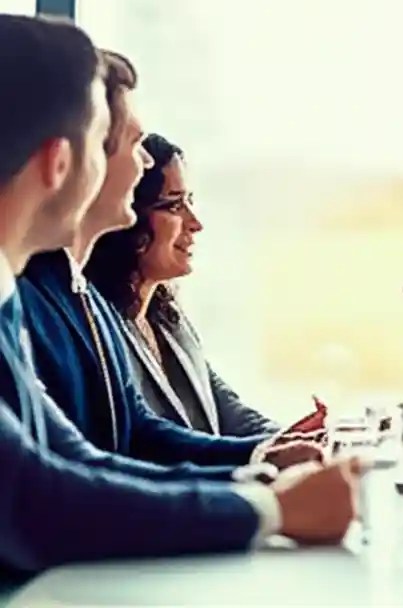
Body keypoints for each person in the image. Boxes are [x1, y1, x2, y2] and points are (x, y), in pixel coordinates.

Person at [0, 13, 355, 573]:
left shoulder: (19, 298)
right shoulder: (26, 297)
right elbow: (34, 500)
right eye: (105, 141)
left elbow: (77, 457)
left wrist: (257, 471)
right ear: (58, 163)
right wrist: (271, 506)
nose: (140, 166)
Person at [19, 50, 311, 470]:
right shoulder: (27, 301)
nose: (146, 161)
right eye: (132, 143)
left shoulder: (82, 295)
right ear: (67, 158)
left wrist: (265, 456)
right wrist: (262, 500)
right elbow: (72, 478)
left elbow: (139, 432)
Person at [84, 133, 276, 436]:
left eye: (190, 201)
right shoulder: (98, 325)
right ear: (130, 217)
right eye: (174, 206)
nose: (196, 222)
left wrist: (290, 440)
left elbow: (222, 405)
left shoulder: (165, 313)